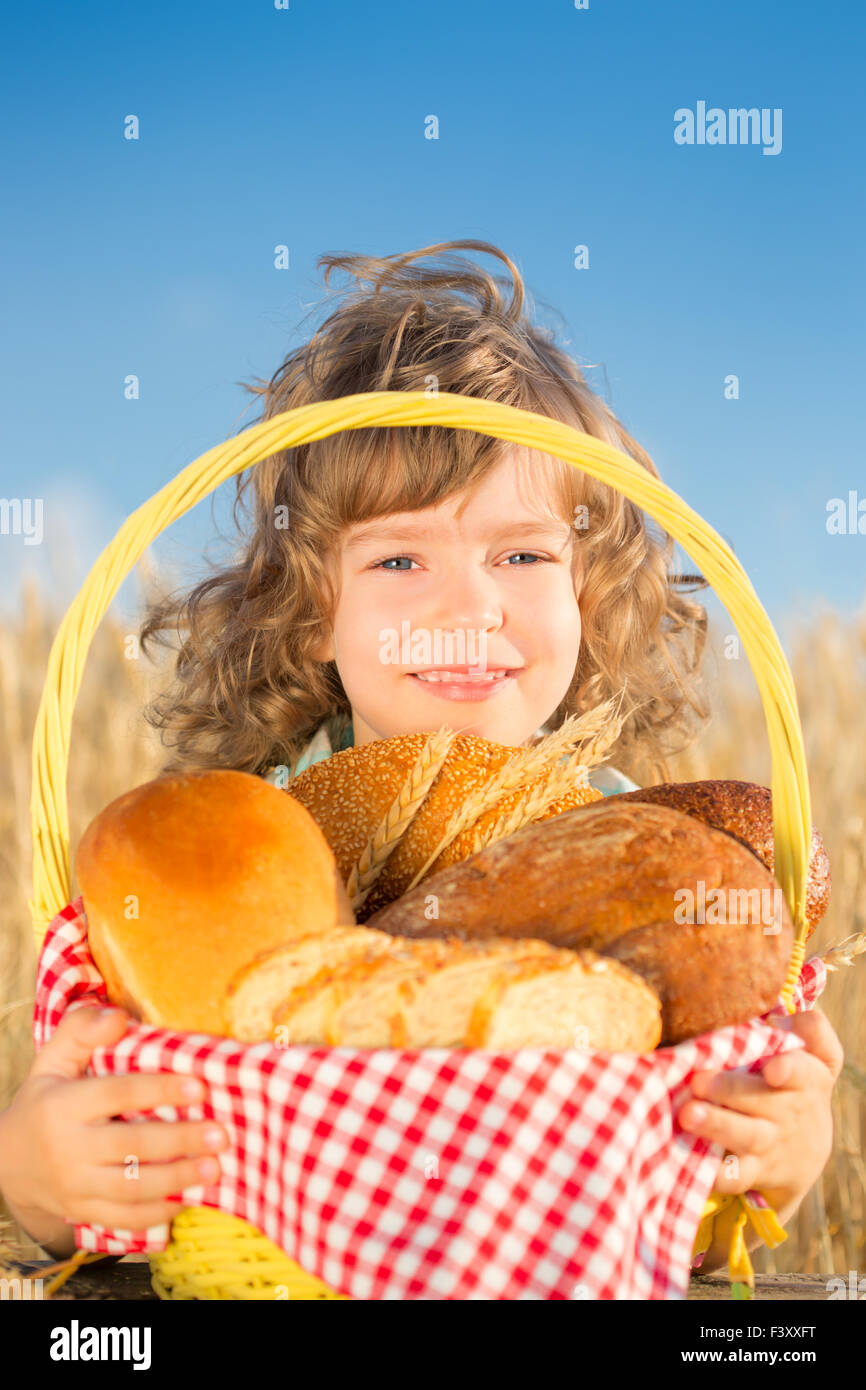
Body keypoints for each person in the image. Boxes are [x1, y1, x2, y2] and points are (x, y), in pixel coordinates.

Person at [0, 240, 842, 1274]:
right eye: (399, 558)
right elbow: (104, 1119)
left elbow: (698, 1219)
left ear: (586, 594)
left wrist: (775, 1156)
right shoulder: (227, 864)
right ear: (315, 611)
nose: (467, 606)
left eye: (522, 555)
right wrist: (39, 1177)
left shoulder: (647, 863)